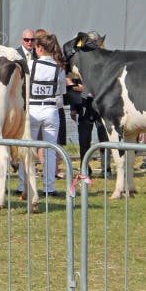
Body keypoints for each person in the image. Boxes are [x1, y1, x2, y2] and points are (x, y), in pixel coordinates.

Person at [18, 33, 66, 196]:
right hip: (51, 109)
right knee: (50, 150)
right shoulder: (59, 69)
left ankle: (23, 186)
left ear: (39, 48)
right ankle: (49, 187)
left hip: (32, 109)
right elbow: (61, 93)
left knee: (26, 148)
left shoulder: (30, 65)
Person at [76, 32, 111, 178]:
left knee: (104, 136)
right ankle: (85, 168)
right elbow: (74, 78)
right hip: (85, 102)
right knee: (84, 138)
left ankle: (106, 168)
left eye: (92, 42)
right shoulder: (81, 58)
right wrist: (73, 107)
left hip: (101, 102)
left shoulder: (106, 58)